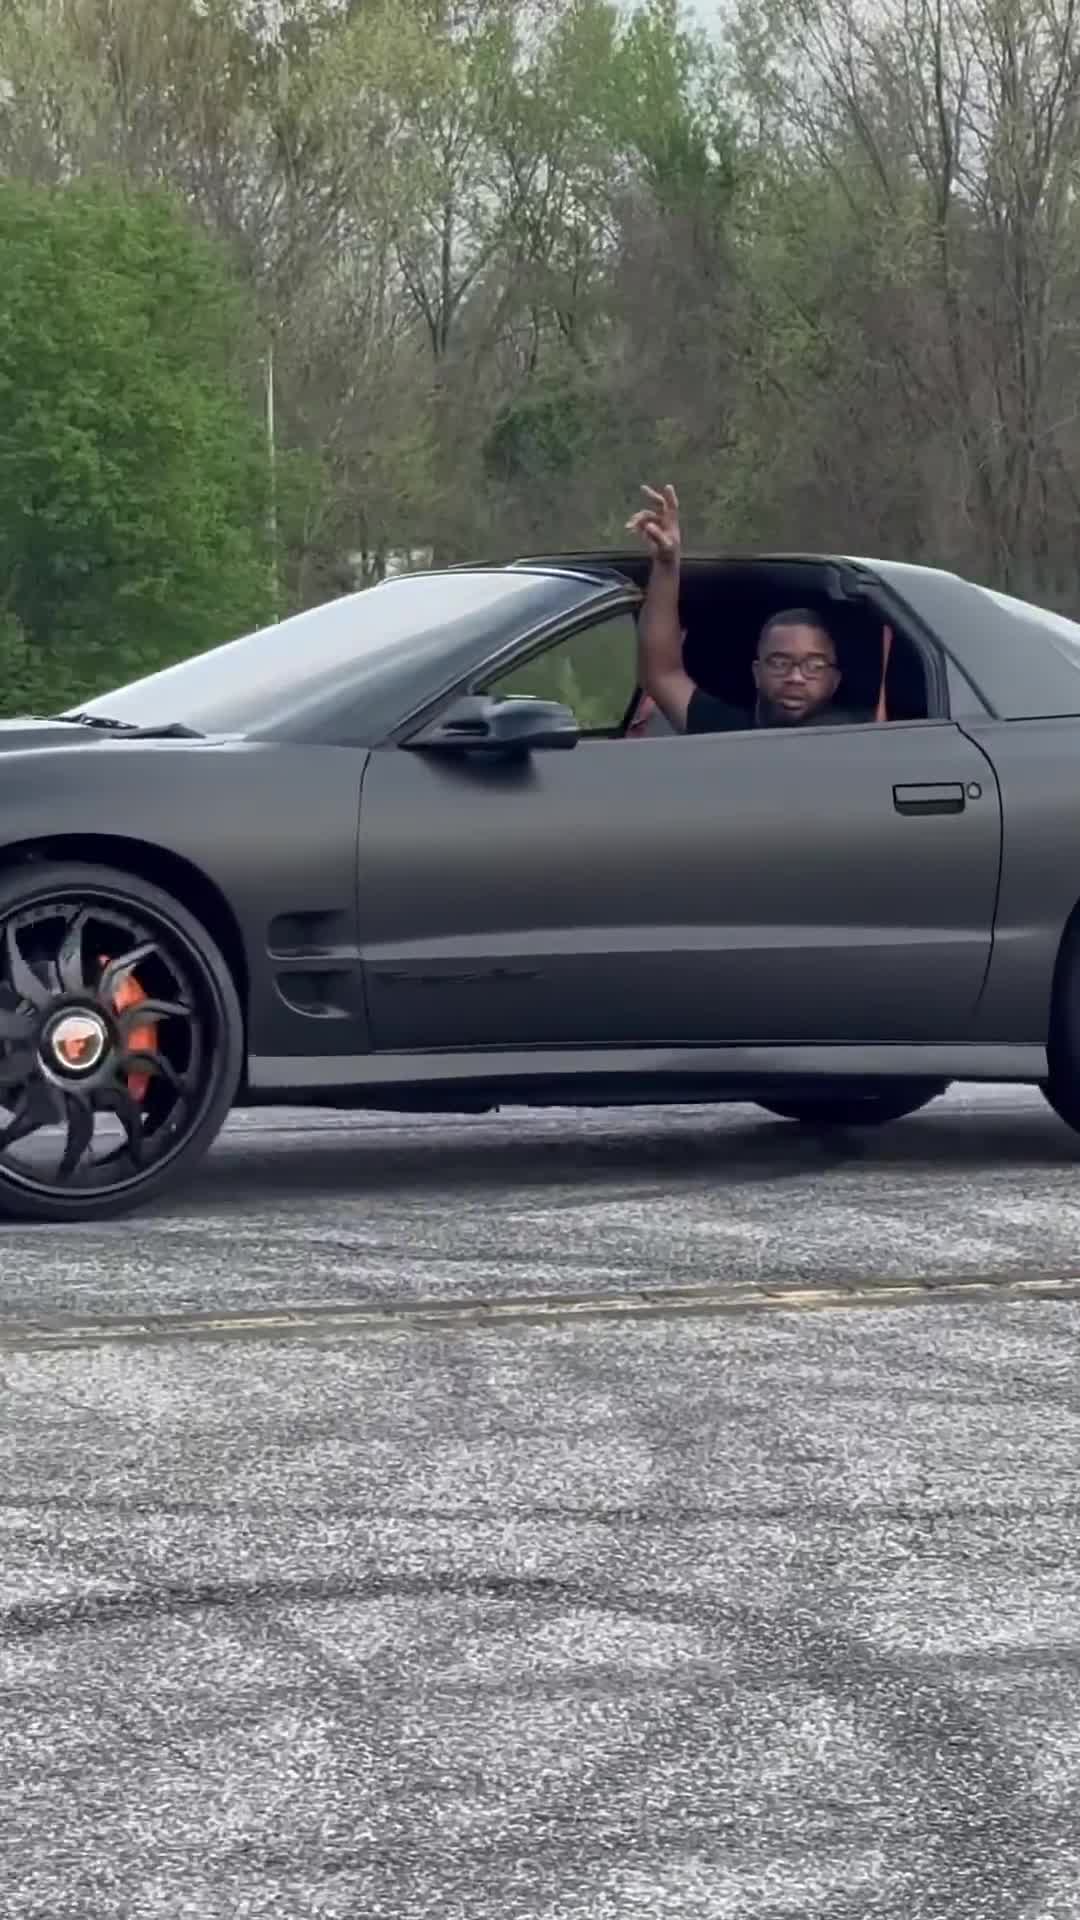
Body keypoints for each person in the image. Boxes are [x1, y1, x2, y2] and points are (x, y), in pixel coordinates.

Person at [626, 482, 868, 733]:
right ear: (757, 673)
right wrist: (667, 564)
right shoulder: (731, 732)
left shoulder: (860, 739)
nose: (796, 678)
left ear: (834, 680)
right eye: (779, 662)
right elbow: (661, 674)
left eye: (814, 666)